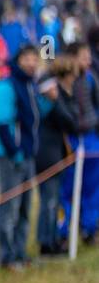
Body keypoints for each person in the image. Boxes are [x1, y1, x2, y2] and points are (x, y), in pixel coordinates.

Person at [0, 44, 42, 270]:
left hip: (28, 154)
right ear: (19, 60)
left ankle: (20, 251)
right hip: (11, 156)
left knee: (25, 206)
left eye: (35, 59)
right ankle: (7, 255)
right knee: (10, 205)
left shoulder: (31, 85)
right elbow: (0, 123)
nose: (32, 63)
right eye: (27, 58)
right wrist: (15, 151)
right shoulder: (7, 85)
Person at [59, 41, 99, 245]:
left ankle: (90, 228)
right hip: (71, 139)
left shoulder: (91, 78)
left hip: (91, 138)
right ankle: (64, 231)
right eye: (83, 56)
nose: (88, 60)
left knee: (92, 187)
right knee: (68, 188)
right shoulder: (63, 81)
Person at [35, 67, 77, 256]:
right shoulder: (46, 107)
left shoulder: (47, 105)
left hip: (53, 156)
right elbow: (70, 122)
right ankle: (46, 243)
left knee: (52, 201)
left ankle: (51, 238)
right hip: (47, 158)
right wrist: (58, 100)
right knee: (49, 201)